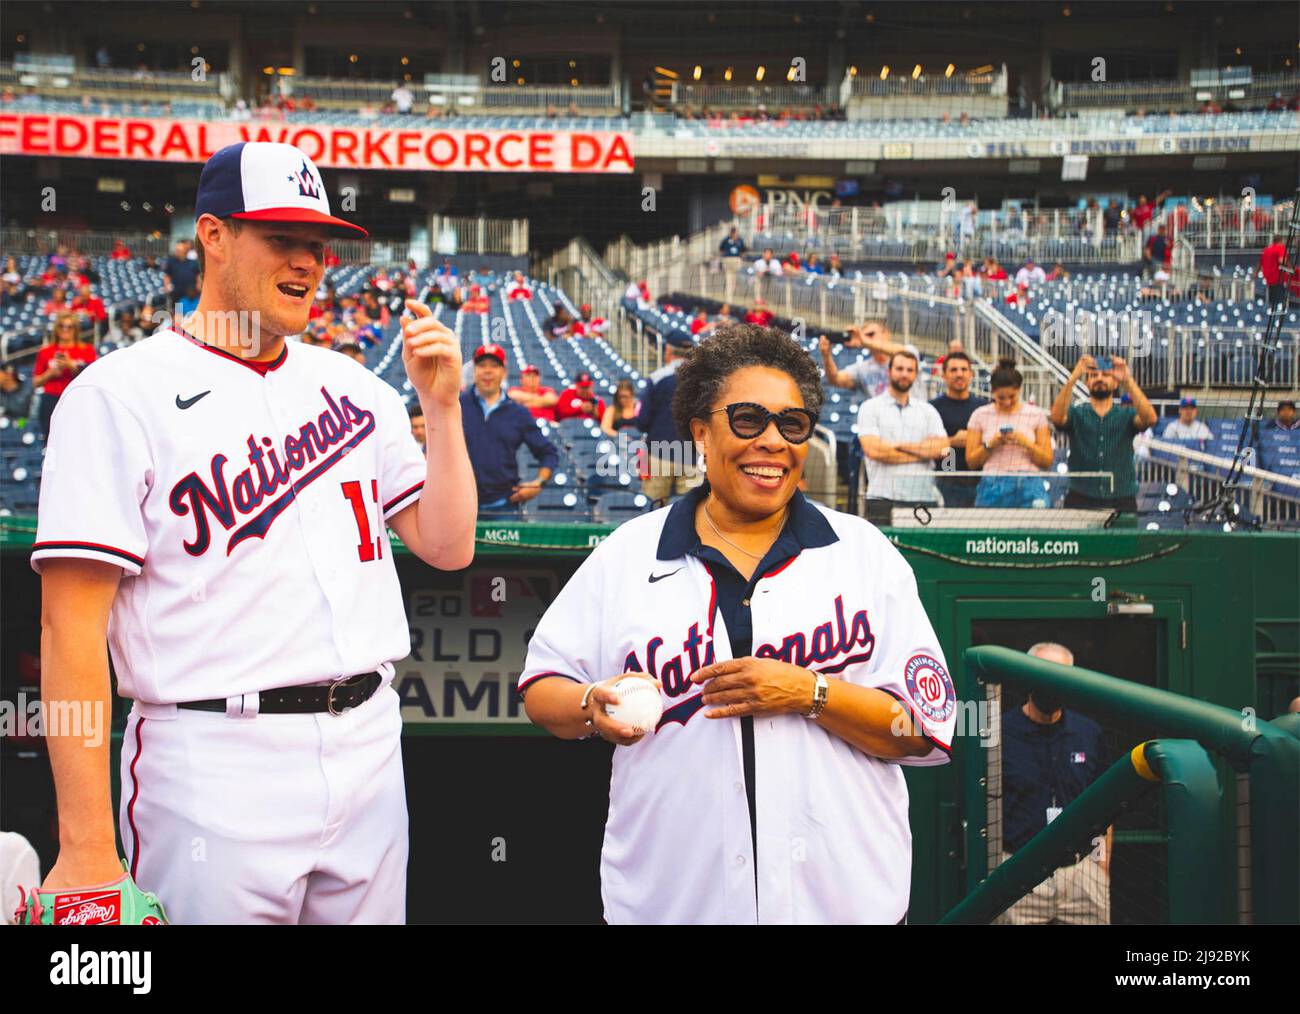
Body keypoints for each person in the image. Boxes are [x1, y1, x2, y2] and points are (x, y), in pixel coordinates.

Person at [28, 141, 477, 925]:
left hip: (369, 744)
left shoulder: (357, 388)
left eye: (318, 243)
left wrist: (443, 411)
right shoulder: (115, 396)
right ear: (212, 235)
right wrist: (88, 845)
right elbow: (70, 628)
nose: (309, 260)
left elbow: (447, 546)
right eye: (282, 238)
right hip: (212, 763)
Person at [517, 323, 955, 924]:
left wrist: (810, 692)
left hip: (843, 904)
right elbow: (543, 687)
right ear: (701, 432)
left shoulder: (864, 553)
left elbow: (920, 726)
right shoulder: (628, 552)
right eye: (748, 419)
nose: (772, 441)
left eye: (792, 424)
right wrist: (593, 702)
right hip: (673, 903)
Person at [999, 642, 1111, 925]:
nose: (1053, 685)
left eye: (1061, 676)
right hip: (1019, 871)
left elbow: (1106, 804)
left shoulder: (1087, 732)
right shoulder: (1001, 733)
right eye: (1045, 674)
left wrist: (1102, 866)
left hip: (1081, 871)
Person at [1049, 354, 1157, 512]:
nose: (1099, 378)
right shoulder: (1077, 413)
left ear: (1115, 383)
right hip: (1081, 497)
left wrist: (1127, 380)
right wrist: (1073, 378)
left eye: (1106, 375)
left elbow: (1150, 419)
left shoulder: (1126, 415)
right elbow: (1057, 418)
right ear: (1087, 383)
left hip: (1121, 498)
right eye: (1093, 375)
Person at [461, 342, 558, 513]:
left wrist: (538, 483)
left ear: (504, 371)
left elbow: (548, 452)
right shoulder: (457, 406)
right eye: (482, 365)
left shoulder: (518, 412)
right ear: (474, 370)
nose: (488, 371)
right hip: (460, 506)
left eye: (494, 366)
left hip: (504, 506)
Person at [857, 350, 949, 521]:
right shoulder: (870, 408)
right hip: (882, 498)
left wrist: (898, 446)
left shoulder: (928, 411)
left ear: (915, 374)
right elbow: (875, 451)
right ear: (889, 371)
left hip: (923, 499)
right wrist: (922, 452)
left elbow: (943, 449)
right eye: (899, 368)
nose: (904, 374)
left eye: (909, 370)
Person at [964, 359, 1054, 508]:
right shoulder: (979, 415)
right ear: (992, 391)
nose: (1007, 402)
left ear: (1019, 389)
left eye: (1012, 397)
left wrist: (1024, 442)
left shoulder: (1036, 415)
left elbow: (1047, 461)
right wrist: (992, 444)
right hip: (992, 485)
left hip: (1030, 484)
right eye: (1001, 398)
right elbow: (971, 462)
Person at [634, 343, 700, 503]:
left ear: (668, 351)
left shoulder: (657, 377)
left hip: (659, 453)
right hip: (692, 456)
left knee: (653, 511)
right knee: (692, 513)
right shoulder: (701, 380)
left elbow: (642, 421)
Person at [927, 351, 989, 508]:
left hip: (981, 481)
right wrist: (952, 441)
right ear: (944, 375)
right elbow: (925, 445)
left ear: (971, 374)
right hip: (945, 481)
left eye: (964, 369)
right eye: (953, 370)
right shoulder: (932, 408)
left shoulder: (984, 408)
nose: (959, 374)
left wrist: (976, 439)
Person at [33, 313, 97, 435]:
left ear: (76, 329)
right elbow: (36, 382)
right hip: (51, 398)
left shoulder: (87, 350)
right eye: (61, 326)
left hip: (77, 398)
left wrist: (71, 365)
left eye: (69, 326)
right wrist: (50, 373)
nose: (65, 330)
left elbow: (93, 376)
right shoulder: (45, 351)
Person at [163, 239, 201, 317]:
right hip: (177, 294)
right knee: (178, 316)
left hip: (190, 294)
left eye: (180, 250)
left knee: (192, 315)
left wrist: (198, 285)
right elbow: (167, 275)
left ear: (185, 251)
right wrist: (167, 287)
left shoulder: (192, 262)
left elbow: (198, 275)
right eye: (177, 249)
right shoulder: (171, 261)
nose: (177, 251)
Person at [1259, 235, 1288, 310]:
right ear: (1280, 241)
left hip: (1268, 278)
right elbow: (1281, 260)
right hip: (1278, 277)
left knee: (1272, 302)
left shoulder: (1266, 249)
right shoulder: (1281, 248)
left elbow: (1260, 263)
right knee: (1279, 302)